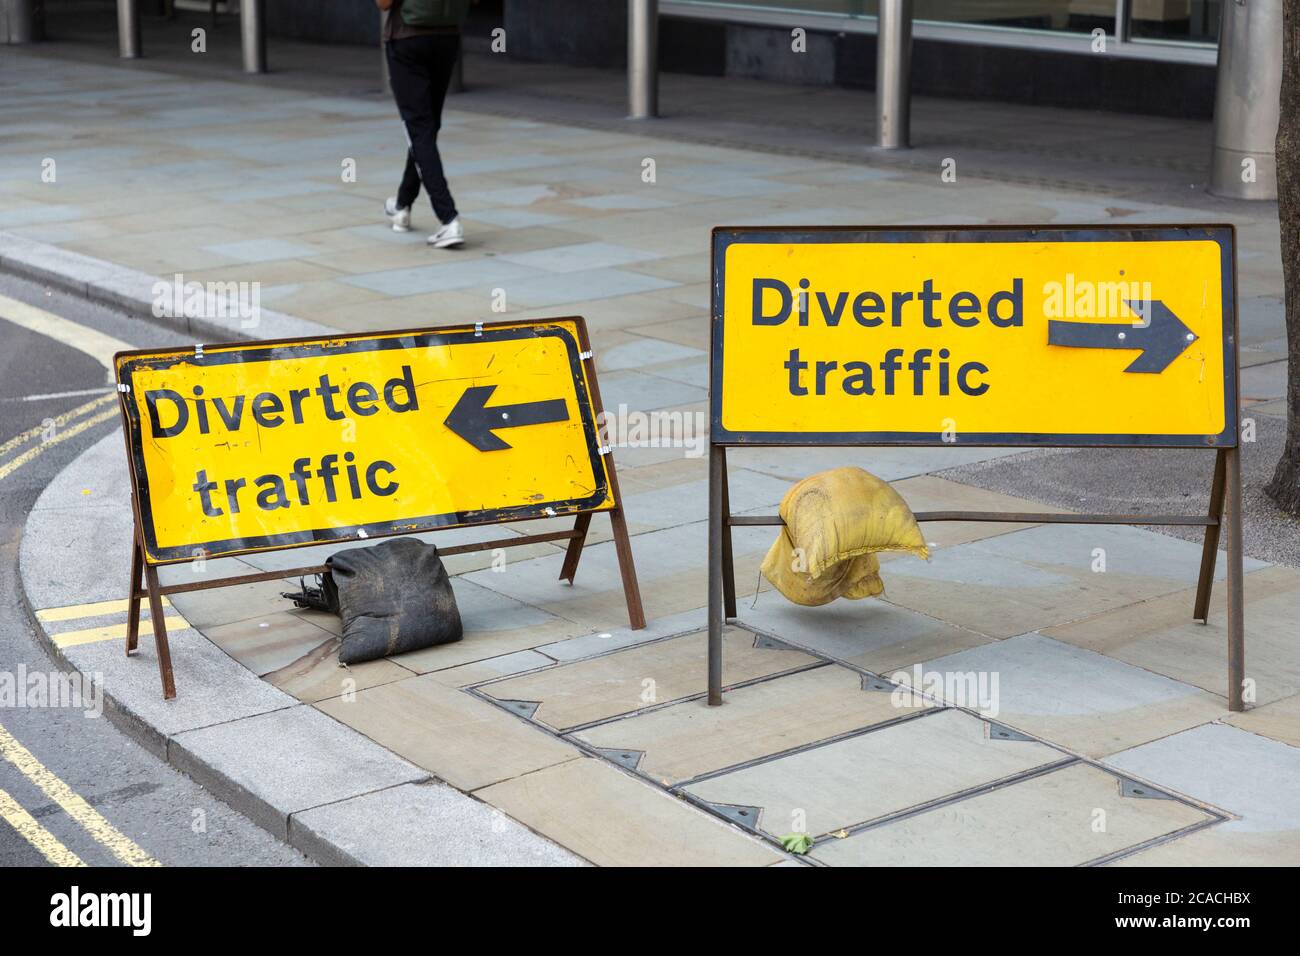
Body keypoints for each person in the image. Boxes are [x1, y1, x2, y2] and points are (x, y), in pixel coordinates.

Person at [375, 0, 466, 249]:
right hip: (446, 39)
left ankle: (449, 218)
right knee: (426, 130)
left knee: (419, 130)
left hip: (408, 39)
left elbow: (383, 3)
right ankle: (402, 206)